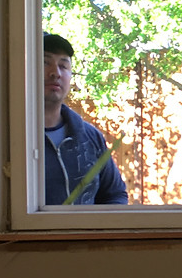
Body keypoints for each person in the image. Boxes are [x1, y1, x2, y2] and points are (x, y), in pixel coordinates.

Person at [43, 33, 128, 205]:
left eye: (63, 66)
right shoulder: (13, 138)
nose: (55, 73)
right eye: (45, 63)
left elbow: (115, 195)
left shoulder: (90, 137)